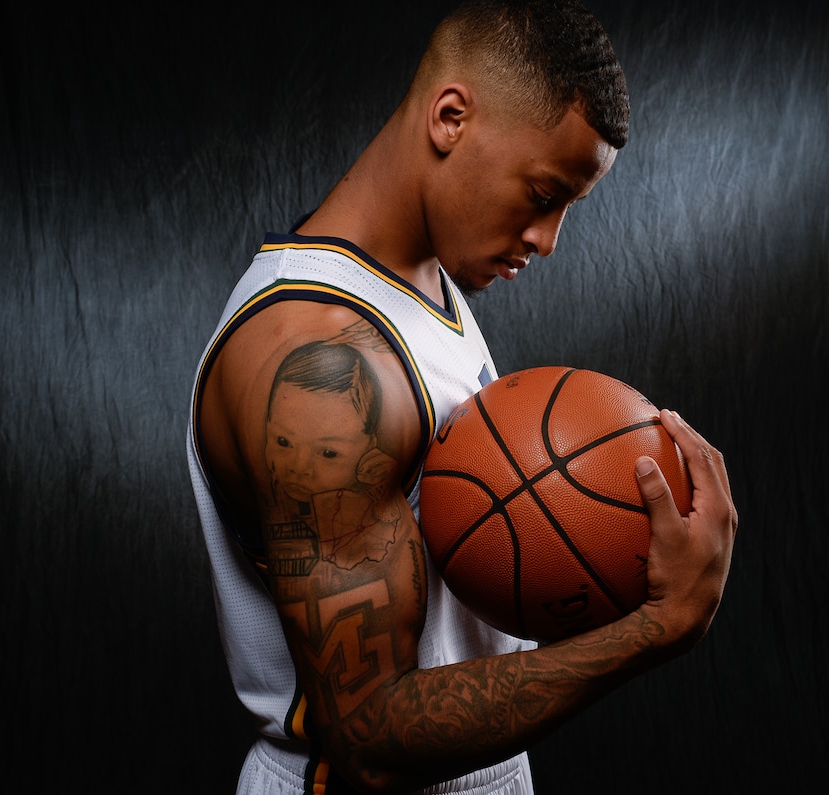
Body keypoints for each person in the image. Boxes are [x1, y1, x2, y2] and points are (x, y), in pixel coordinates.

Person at [186, 1, 738, 793]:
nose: (548, 239)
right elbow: (369, 735)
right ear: (451, 118)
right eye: (543, 194)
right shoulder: (320, 359)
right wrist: (654, 628)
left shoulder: (418, 281)